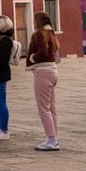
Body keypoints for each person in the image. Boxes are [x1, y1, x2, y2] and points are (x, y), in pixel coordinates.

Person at [27, 12, 61, 151]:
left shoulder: (39, 34)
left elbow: (43, 52)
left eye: (34, 20)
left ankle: (51, 140)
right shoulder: (51, 33)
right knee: (51, 108)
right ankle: (53, 138)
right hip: (53, 71)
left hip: (43, 72)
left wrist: (32, 58)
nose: (33, 22)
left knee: (43, 109)